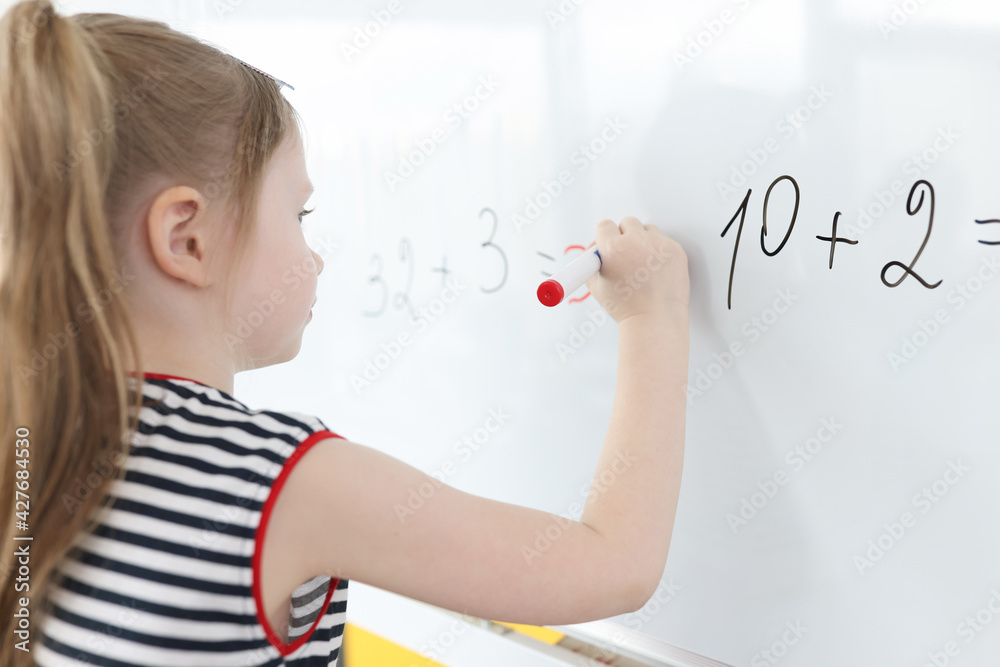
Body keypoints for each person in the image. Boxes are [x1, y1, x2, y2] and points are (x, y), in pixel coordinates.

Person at [0, 1, 691, 665]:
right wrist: (650, 317)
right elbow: (614, 563)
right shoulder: (276, 481)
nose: (317, 254)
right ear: (188, 239)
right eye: (300, 214)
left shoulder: (32, 445)